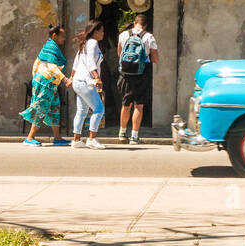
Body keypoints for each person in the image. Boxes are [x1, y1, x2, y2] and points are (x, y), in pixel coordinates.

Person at [19, 25, 71, 146]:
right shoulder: (50, 48)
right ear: (54, 36)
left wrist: (35, 77)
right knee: (41, 107)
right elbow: (52, 67)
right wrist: (64, 79)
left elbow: (36, 64)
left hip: (48, 83)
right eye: (62, 36)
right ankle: (30, 138)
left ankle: (57, 138)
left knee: (54, 108)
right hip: (45, 83)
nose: (64, 39)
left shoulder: (50, 48)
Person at [116, 15, 158, 144]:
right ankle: (134, 137)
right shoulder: (149, 37)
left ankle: (122, 134)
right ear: (145, 26)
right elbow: (155, 59)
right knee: (139, 105)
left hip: (126, 73)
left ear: (135, 23)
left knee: (125, 104)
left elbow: (119, 54)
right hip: (142, 73)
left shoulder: (123, 35)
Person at [70, 21, 107, 150]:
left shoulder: (84, 44)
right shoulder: (92, 43)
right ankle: (91, 139)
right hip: (86, 81)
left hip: (78, 81)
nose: (103, 33)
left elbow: (76, 63)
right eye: (101, 31)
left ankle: (76, 140)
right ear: (95, 32)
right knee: (99, 109)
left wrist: (71, 78)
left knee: (82, 111)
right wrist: (97, 77)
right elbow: (91, 62)